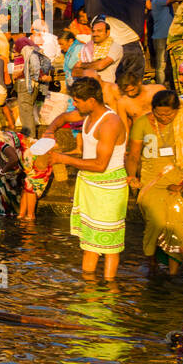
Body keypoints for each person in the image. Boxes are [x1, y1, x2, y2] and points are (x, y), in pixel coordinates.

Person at [44, 76, 129, 279]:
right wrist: (49, 131)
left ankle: (109, 289)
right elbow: (63, 118)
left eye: (77, 101)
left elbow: (100, 165)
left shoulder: (110, 122)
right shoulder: (87, 114)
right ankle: (87, 286)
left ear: (91, 100)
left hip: (109, 188)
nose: (75, 105)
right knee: (89, 242)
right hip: (91, 186)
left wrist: (62, 159)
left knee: (110, 246)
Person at [125, 89, 183, 276]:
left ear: (178, 110)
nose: (164, 118)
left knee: (179, 225)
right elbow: (134, 155)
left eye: (169, 114)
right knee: (155, 223)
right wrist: (131, 176)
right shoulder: (143, 123)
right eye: (159, 114)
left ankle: (172, 273)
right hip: (152, 181)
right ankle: (151, 264)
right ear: (152, 110)